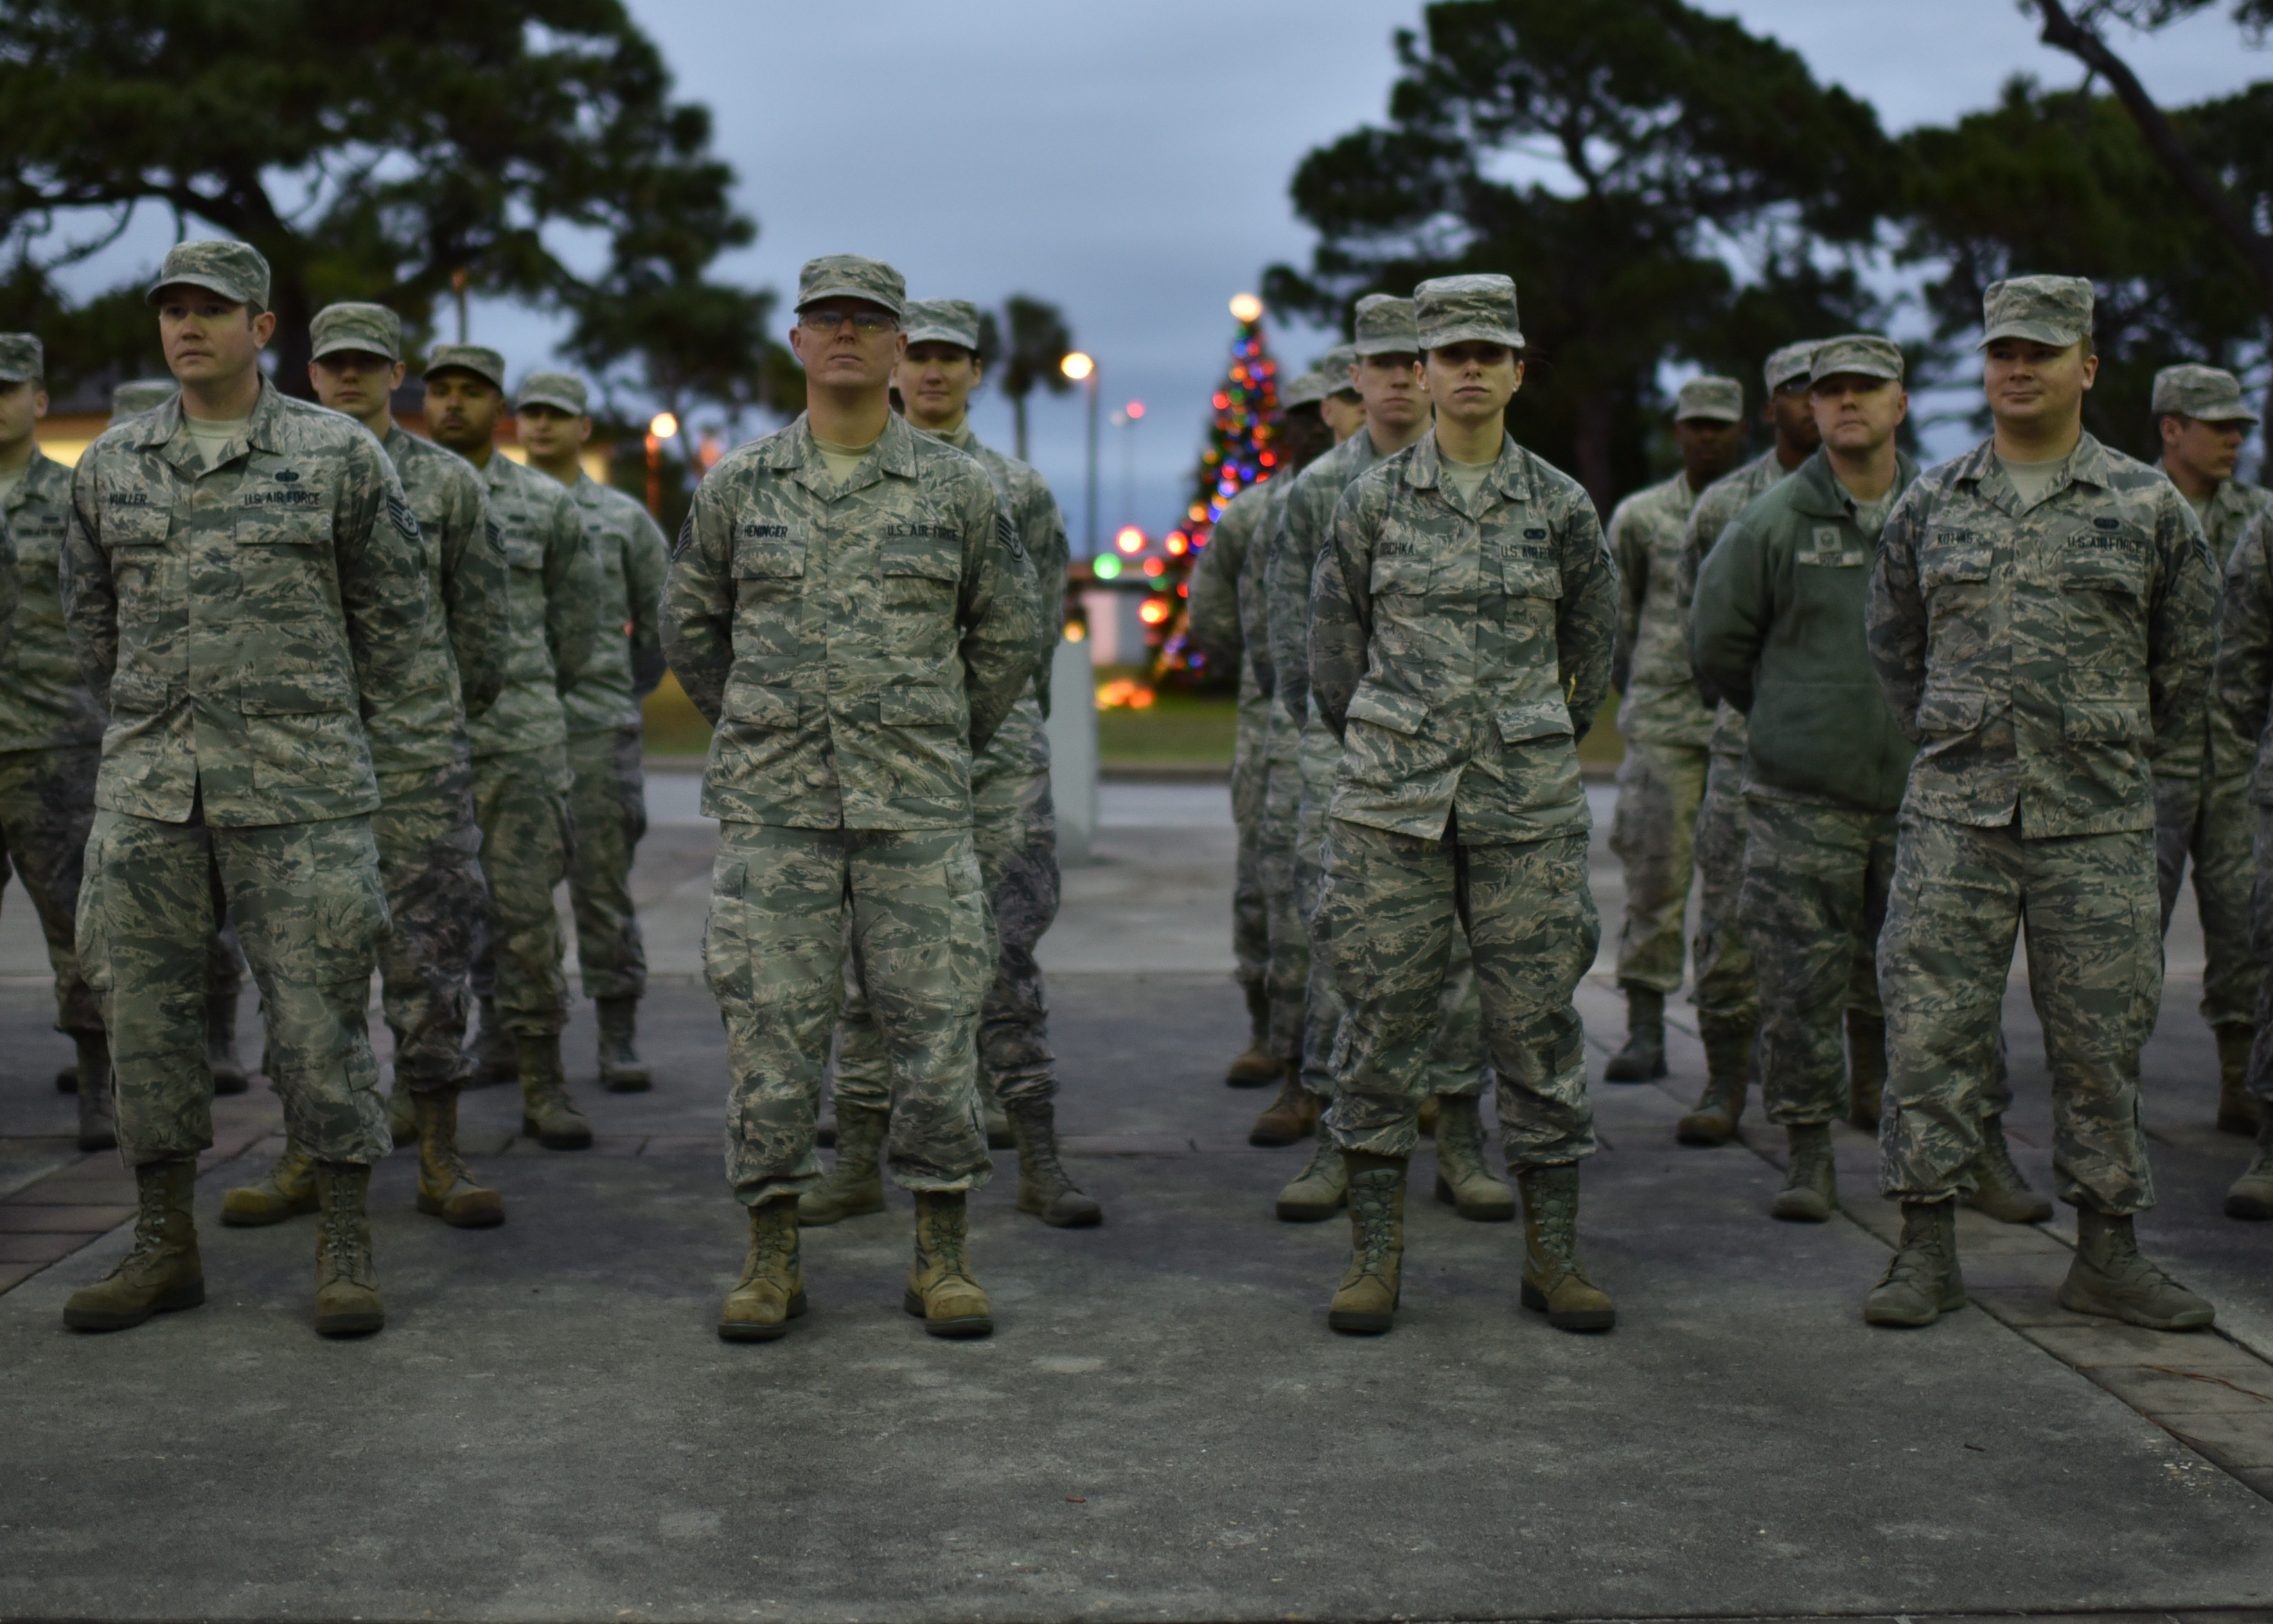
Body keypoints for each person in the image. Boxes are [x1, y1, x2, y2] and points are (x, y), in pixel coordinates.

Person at [664, 256, 1038, 1341]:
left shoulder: (958, 488)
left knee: (933, 1028)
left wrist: (934, 730)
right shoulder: (740, 485)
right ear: (796, 343)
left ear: (894, 346)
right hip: (776, 810)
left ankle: (941, 1256)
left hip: (915, 808)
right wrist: (767, 722)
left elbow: (1008, 630)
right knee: (771, 1033)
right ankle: (772, 1257)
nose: (846, 337)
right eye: (825, 320)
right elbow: (693, 627)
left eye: (868, 324)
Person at [59, 240, 429, 1336]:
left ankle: (347, 1244)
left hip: (303, 795)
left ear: (264, 329)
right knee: (146, 1021)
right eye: (172, 308)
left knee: (319, 1025)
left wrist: (372, 776)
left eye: (212, 309)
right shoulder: (112, 465)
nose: (188, 326)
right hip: (151, 795)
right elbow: (93, 626)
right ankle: (164, 1244)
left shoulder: (336, 458)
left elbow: (399, 631)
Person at [1865, 274, 2218, 1331]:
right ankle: (1925, 1252)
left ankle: (2107, 1254)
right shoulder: (1930, 502)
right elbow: (1894, 652)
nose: (2017, 369)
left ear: (2087, 367)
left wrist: (2097, 744)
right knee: (1930, 1035)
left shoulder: (2148, 507)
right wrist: (1961, 741)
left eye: (2042, 352)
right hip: (1956, 818)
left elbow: (2185, 666)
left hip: (2098, 821)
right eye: (2001, 352)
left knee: (2102, 1045)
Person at [1309, 272, 1618, 1334]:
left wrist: (1524, 740)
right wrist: (1402, 743)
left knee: (1536, 1029)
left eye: (1491, 351)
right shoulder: (1371, 503)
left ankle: (1553, 1258)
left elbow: (1591, 655)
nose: (1471, 368)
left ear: (1520, 371)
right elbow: (1333, 660)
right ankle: (1373, 1261)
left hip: (1523, 808)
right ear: (1425, 371)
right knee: (1381, 1022)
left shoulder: (1562, 508)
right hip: (1392, 808)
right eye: (1451, 353)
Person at [799, 297, 1094, 1229]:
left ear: (975, 373)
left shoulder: (1019, 490)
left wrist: (993, 724)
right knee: (868, 964)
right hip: (885, 754)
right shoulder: (851, 475)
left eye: (950, 359)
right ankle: (855, 1159)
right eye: (917, 355)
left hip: (995, 751)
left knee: (1003, 953)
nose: (931, 372)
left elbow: (1034, 628)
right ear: (893, 364)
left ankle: (1038, 1155)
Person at [222, 301, 510, 1229]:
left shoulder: (446, 485)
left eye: (367, 364)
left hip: (414, 758)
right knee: (302, 967)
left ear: (399, 377)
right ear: (309, 373)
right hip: (295, 760)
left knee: (431, 958)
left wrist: (432, 721)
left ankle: (438, 1154)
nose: (348, 378)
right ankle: (308, 1152)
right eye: (333, 364)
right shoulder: (266, 470)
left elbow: (484, 626)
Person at [1264, 299, 1510, 1225]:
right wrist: (1337, 740)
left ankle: (1456, 1136)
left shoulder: (1485, 479)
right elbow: (1290, 632)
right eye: (1382, 364)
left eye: (1415, 361)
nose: (1402, 379)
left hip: (1469, 759)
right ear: (1354, 378)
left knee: (1456, 953)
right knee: (1349, 946)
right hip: (1352, 753)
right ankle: (1342, 1134)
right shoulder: (1320, 492)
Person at [1691, 335, 1921, 1221]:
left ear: (1900, 404)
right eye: (1831, 392)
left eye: (1867, 389)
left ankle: (1950, 1149)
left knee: (1929, 985)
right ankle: (1807, 1152)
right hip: (1799, 799)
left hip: (1916, 797)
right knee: (1797, 985)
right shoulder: (1770, 520)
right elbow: (1717, 646)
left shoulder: (1937, 513)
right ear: (1811, 411)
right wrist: (1792, 718)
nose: (1847, 403)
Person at [421, 344, 601, 1149]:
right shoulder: (389, 491)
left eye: (472, 392)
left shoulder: (542, 502)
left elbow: (577, 620)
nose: (453, 404)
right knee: (417, 926)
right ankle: (418, 1082)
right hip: (416, 737)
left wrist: (527, 694)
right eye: (440, 391)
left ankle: (543, 1082)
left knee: (527, 918)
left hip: (520, 737)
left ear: (500, 407)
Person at [1670, 341, 1825, 1145]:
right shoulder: (1727, 506)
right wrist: (1745, 709)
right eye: (1795, 393)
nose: (1812, 404)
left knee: (1860, 923)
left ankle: (1863, 1077)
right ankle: (1725, 1076)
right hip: (1748, 744)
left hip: (1853, 749)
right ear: (1769, 409)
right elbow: (1699, 627)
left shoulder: (1897, 498)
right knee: (1727, 916)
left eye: (1824, 390)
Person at [514, 371, 669, 1093]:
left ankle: (618, 1035)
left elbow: (660, 624)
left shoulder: (624, 519)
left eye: (557, 415)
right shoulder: (492, 509)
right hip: (514, 727)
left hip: (596, 727)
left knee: (601, 887)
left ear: (584, 429)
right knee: (508, 895)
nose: (541, 426)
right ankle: (506, 1036)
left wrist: (615, 691)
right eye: (530, 413)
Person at [1188, 367, 1331, 1091]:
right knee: (1262, 890)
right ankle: (1267, 1033)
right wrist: (1258, 675)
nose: (1316, 426)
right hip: (1269, 733)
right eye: (1301, 415)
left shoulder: (1372, 502)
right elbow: (1209, 617)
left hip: (1352, 737)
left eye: (1328, 411)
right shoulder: (1249, 514)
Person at [1602, 377, 1746, 1081]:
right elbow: (1615, 619)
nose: (1706, 437)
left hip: (1739, 722)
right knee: (1653, 875)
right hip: (1661, 719)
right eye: (1695, 425)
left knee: (1743, 888)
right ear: (1677, 431)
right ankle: (1643, 1028)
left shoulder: (1757, 508)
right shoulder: (1639, 516)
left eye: (1719, 425)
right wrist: (1639, 685)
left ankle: (1739, 1032)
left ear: (1741, 429)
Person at [2149, 364, 2272, 1137]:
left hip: (2231, 761)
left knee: (2243, 934)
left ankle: (2240, 1083)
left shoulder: (2259, 515)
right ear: (2170, 427)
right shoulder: (2131, 508)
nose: (2232, 437)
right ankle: (2101, 1100)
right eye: (2215, 424)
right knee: (2121, 938)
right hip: (2148, 759)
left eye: (2239, 427)